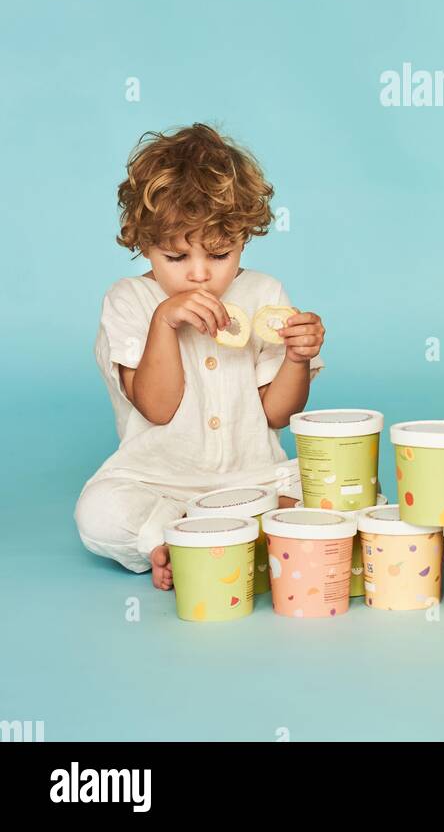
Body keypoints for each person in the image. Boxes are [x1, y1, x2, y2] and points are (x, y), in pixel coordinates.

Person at [74, 122, 325, 588]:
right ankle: (168, 536)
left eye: (219, 254)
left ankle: (216, 531)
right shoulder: (130, 301)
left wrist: (296, 357)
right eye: (175, 258)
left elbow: (278, 414)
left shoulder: (263, 293)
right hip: (158, 481)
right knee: (97, 513)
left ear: (243, 239)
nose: (199, 276)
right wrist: (164, 323)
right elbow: (157, 406)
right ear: (143, 245)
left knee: (339, 491)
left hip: (252, 480)